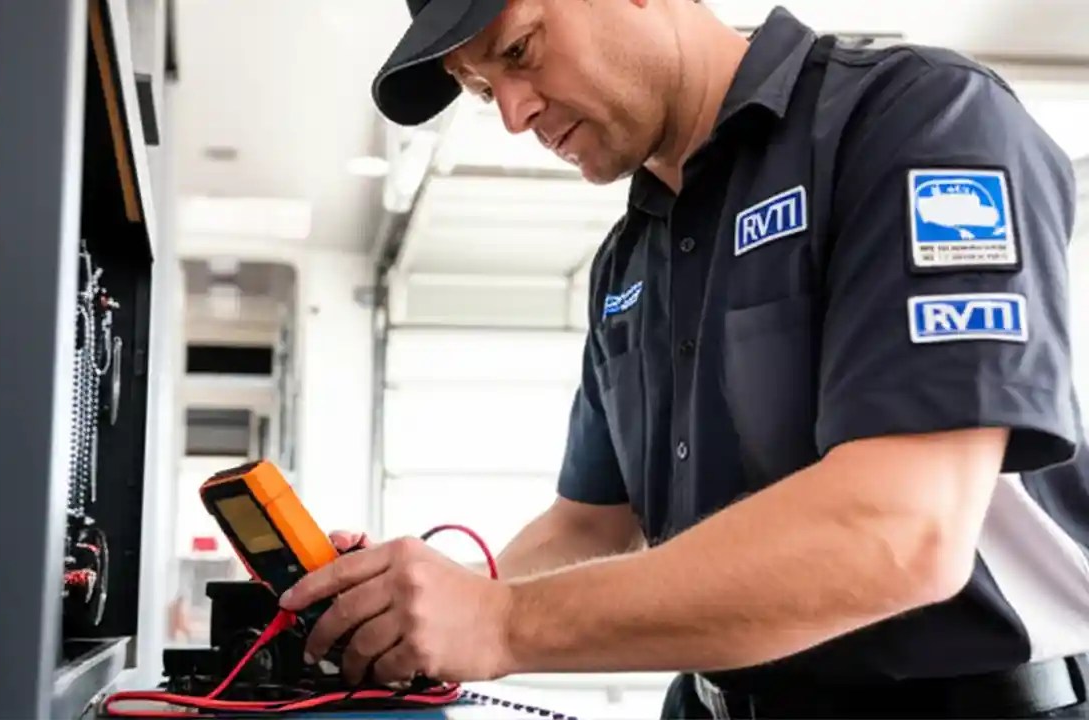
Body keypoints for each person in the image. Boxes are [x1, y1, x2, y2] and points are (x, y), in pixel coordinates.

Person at [278, 1, 1089, 717]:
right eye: (485, 92)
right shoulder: (627, 260)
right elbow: (589, 523)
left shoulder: (917, 119)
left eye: (520, 50)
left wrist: (500, 623)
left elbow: (901, 532)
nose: (516, 116)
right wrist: (414, 608)